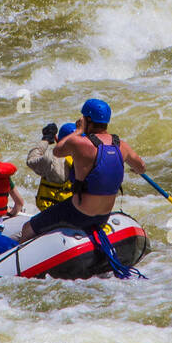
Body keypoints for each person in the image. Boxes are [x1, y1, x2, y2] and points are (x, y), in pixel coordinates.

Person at [20, 98, 146, 242]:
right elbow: (141, 167)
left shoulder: (78, 143)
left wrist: (79, 131)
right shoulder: (122, 146)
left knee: (27, 228)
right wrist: (134, 169)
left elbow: (57, 151)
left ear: (87, 120)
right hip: (103, 216)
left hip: (79, 213)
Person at [27, 122, 77, 212]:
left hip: (51, 211)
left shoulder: (50, 158)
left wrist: (46, 139)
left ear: (57, 139)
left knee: (27, 226)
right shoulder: (88, 159)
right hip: (77, 209)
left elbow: (31, 160)